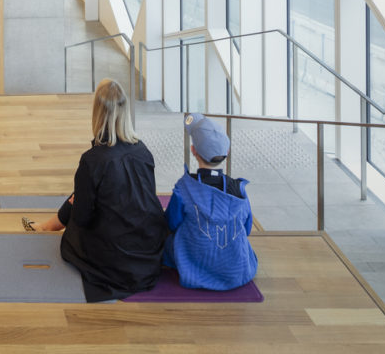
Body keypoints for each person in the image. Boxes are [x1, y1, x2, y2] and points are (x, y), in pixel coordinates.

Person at [29, 79, 167, 302]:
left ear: (97, 113)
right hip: (148, 251)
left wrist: (79, 203)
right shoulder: (143, 151)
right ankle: (48, 224)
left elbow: (82, 219)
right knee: (85, 193)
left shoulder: (92, 160)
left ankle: (47, 226)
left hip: (114, 261)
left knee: (77, 215)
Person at [163, 115, 257, 290]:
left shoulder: (184, 188)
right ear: (227, 152)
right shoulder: (239, 189)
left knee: (164, 239)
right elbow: (246, 228)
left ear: (193, 151)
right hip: (236, 270)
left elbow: (172, 223)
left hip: (193, 263)